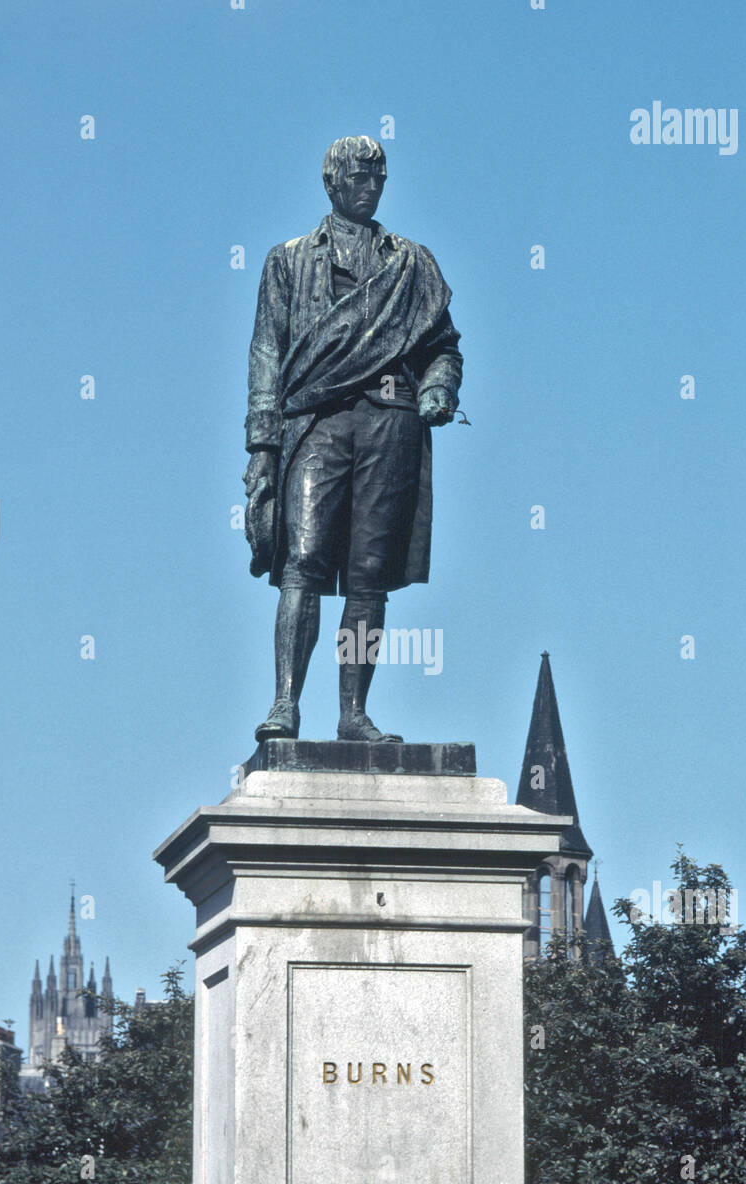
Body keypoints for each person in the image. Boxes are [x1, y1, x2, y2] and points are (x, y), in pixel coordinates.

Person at [243, 135, 463, 743]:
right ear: (332, 183)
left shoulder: (411, 263)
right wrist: (262, 449)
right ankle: (285, 705)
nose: (369, 187)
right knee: (304, 559)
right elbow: (267, 352)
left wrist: (439, 388)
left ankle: (353, 714)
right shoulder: (287, 260)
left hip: (390, 419)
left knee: (368, 573)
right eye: (358, 178)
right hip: (318, 419)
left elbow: (444, 345)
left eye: (378, 178)